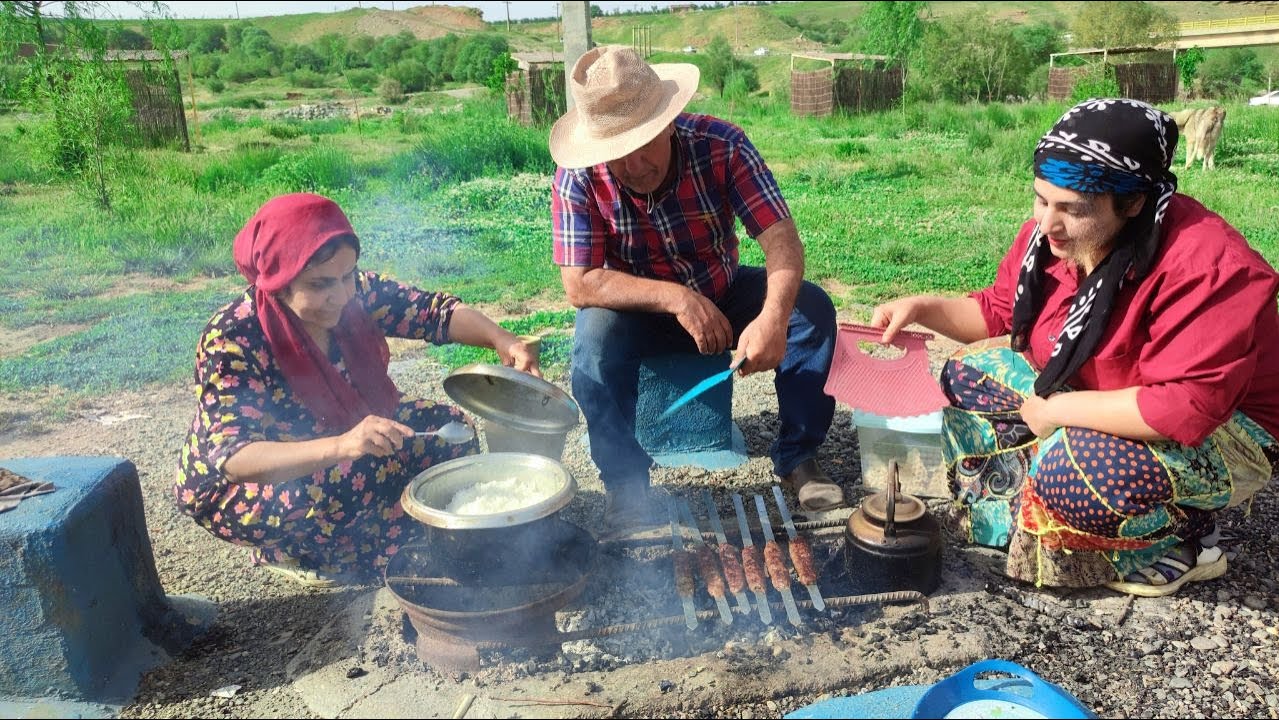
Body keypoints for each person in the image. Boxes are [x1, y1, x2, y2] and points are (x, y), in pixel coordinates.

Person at [872, 98, 1279, 597]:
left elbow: (1185, 406)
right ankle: (1036, 505)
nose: (1047, 223)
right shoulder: (1054, 238)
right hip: (1105, 392)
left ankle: (1188, 537)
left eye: (1072, 209)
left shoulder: (1206, 266)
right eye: (1041, 200)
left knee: (1075, 468)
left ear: (1133, 204)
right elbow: (1000, 312)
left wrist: (1059, 411)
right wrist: (921, 307)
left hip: (1222, 429)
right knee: (967, 372)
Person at [175, 193, 540, 587]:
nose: (342, 295)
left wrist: (502, 339)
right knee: (349, 477)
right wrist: (343, 444)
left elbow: (434, 313)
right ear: (279, 282)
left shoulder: (356, 291)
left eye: (347, 276)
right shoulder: (233, 338)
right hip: (242, 484)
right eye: (320, 284)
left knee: (450, 432)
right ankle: (299, 552)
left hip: (341, 430)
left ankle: (387, 528)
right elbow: (234, 457)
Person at [548, 45, 839, 538]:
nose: (635, 164)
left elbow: (781, 240)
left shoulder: (721, 146)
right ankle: (625, 485)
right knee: (592, 346)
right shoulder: (578, 176)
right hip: (636, 312)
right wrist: (677, 299)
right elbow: (580, 283)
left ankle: (799, 456)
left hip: (721, 290)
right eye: (618, 153)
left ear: (667, 122)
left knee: (810, 310)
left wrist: (770, 319)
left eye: (644, 143)